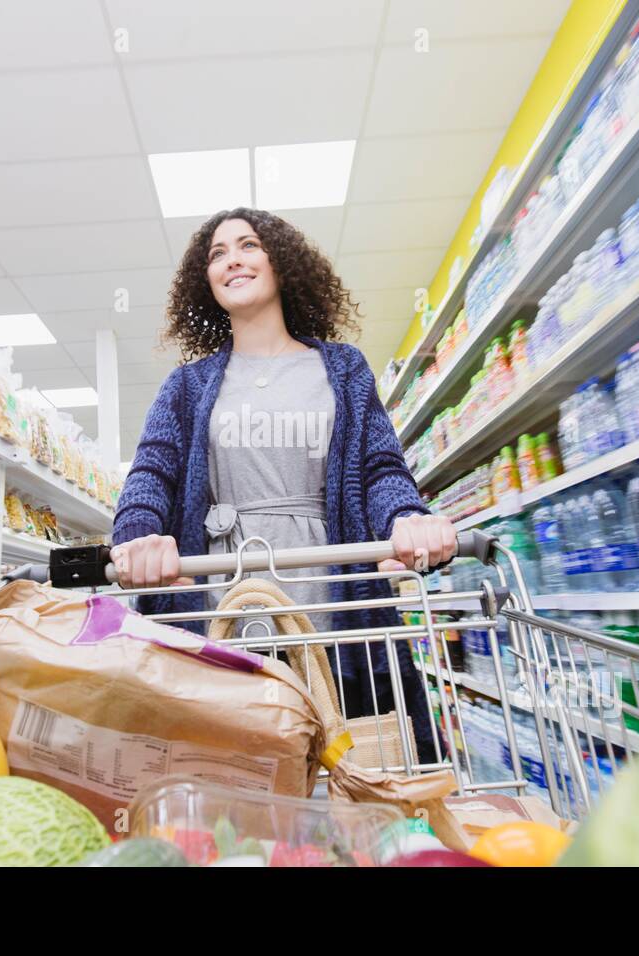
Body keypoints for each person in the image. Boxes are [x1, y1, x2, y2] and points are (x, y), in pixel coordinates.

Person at [111, 207, 456, 763]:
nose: (232, 260)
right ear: (206, 281)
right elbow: (152, 471)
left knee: (354, 770)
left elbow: (379, 468)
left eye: (247, 245)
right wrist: (138, 535)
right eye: (216, 254)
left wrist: (407, 518)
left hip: (331, 609)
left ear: (280, 262)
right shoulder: (188, 385)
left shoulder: (342, 369)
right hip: (221, 605)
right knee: (235, 776)